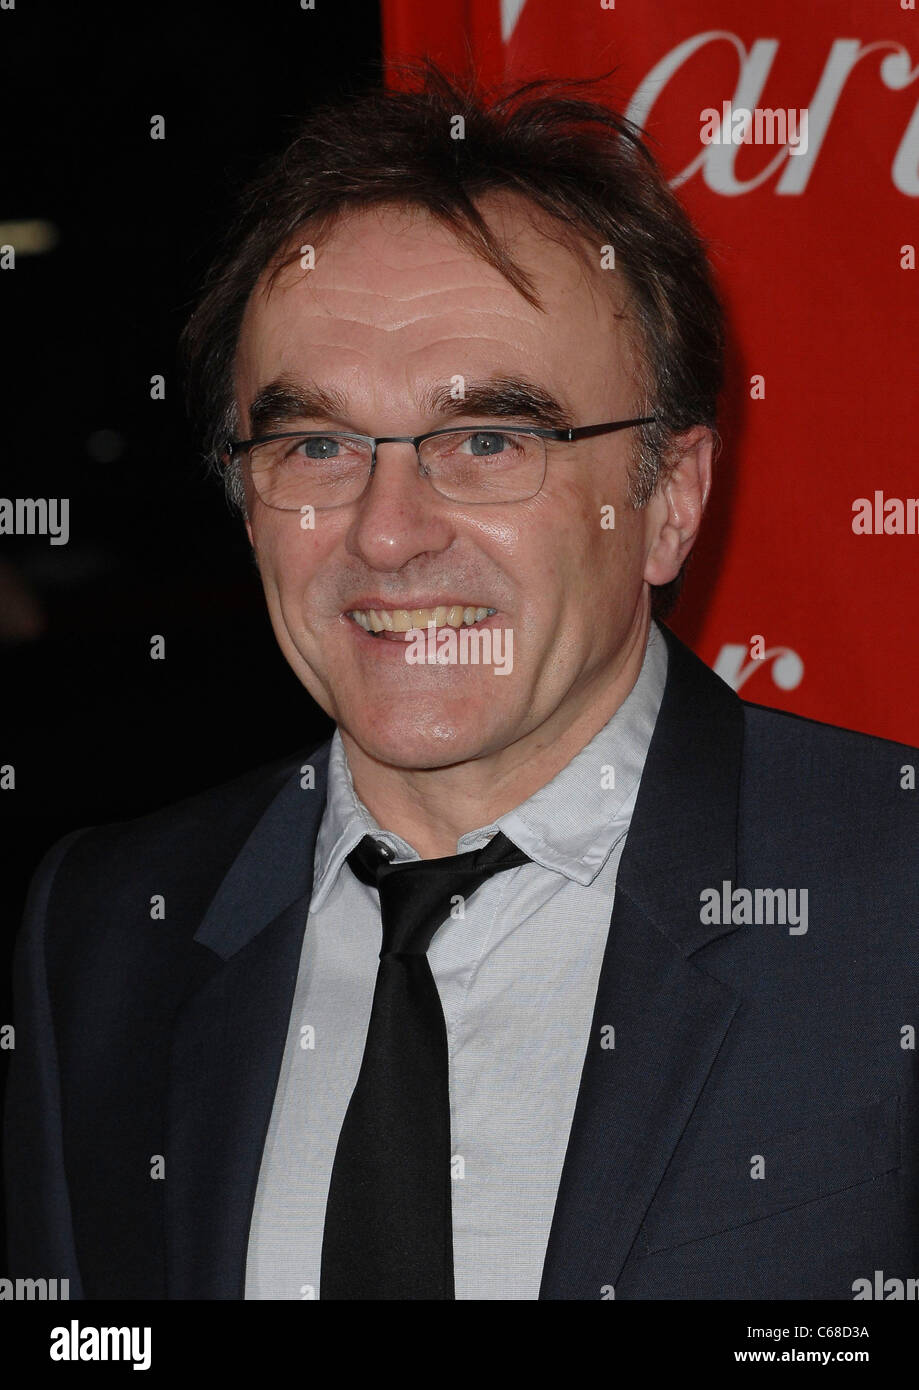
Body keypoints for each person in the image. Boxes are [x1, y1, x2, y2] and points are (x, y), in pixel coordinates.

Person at [5, 65, 917, 1301]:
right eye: (316, 444)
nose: (385, 534)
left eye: (486, 440)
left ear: (669, 499)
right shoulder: (109, 929)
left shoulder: (889, 901)